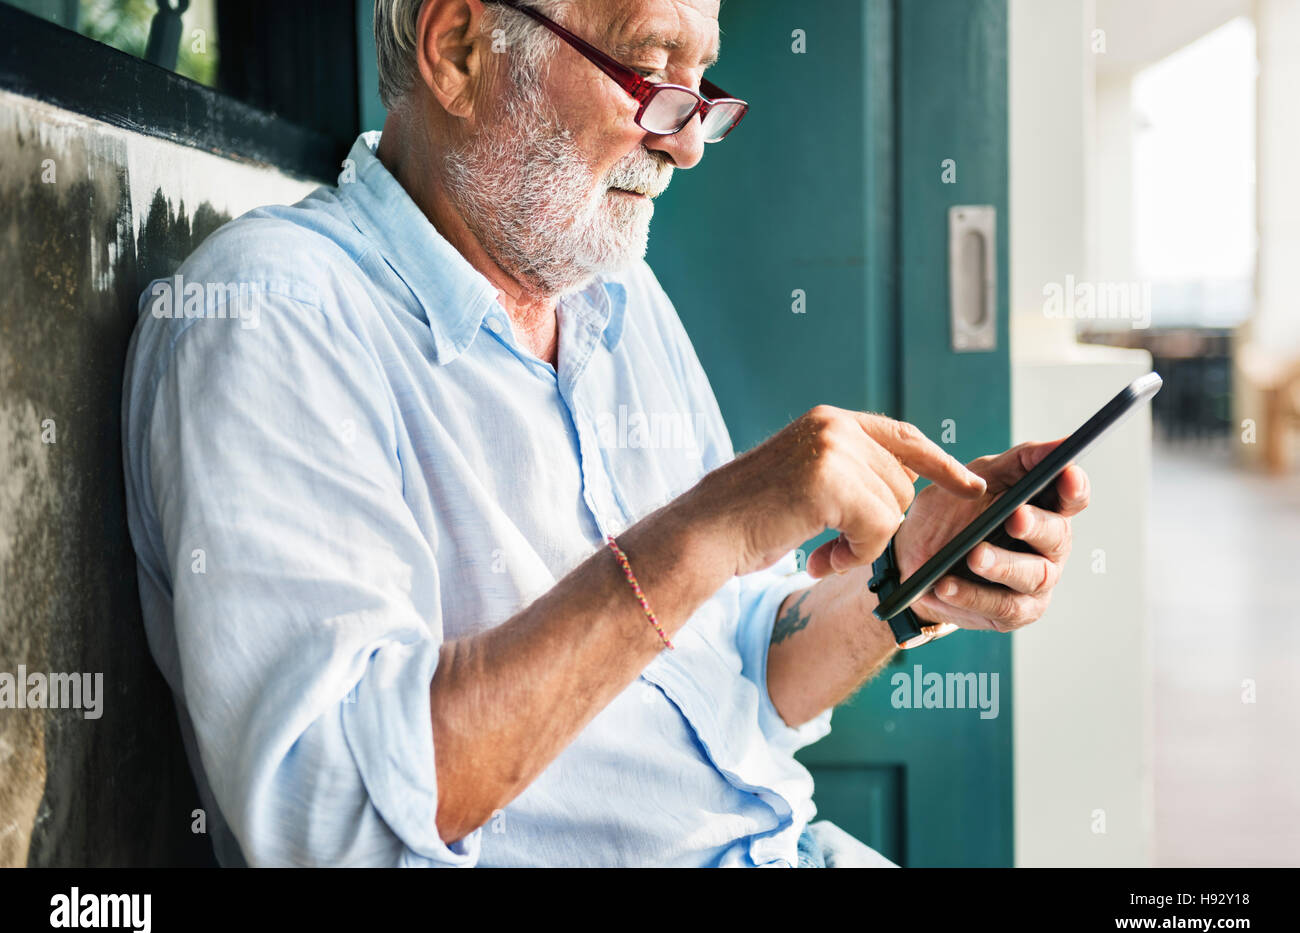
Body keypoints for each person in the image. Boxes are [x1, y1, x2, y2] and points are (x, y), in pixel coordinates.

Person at [121, 0, 1089, 867]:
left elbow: (737, 659)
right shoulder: (273, 313)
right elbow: (335, 822)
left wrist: (908, 580)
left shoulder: (613, 291)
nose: (687, 144)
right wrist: (707, 528)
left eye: (699, 89)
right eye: (649, 70)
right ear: (458, 51)